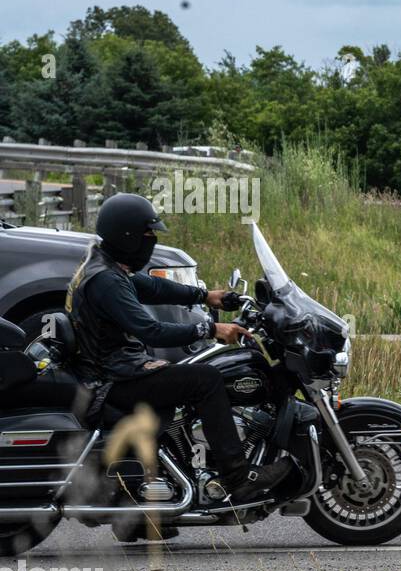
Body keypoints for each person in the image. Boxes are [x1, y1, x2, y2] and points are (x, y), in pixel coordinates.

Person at [66, 193, 294, 504]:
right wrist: (211, 329)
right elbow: (151, 331)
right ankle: (239, 477)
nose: (153, 240)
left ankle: (151, 500)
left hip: (112, 370)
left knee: (188, 375)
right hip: (112, 381)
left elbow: (152, 286)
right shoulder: (106, 280)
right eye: (149, 234)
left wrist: (206, 296)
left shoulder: (103, 264)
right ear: (128, 235)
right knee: (206, 380)